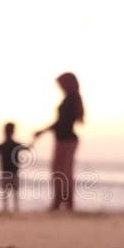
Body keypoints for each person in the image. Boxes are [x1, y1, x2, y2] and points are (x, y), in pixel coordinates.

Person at [33, 72, 85, 210]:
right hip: (65, 139)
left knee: (60, 172)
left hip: (66, 140)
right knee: (64, 172)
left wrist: (42, 131)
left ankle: (60, 202)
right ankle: (65, 202)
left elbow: (61, 123)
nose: (60, 87)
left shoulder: (70, 99)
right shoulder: (71, 99)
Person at [0, 122, 29, 213]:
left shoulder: (2, 145)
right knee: (14, 192)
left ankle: (6, 208)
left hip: (6, 172)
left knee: (5, 192)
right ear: (13, 132)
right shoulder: (16, 145)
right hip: (13, 171)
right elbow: (28, 148)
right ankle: (15, 208)